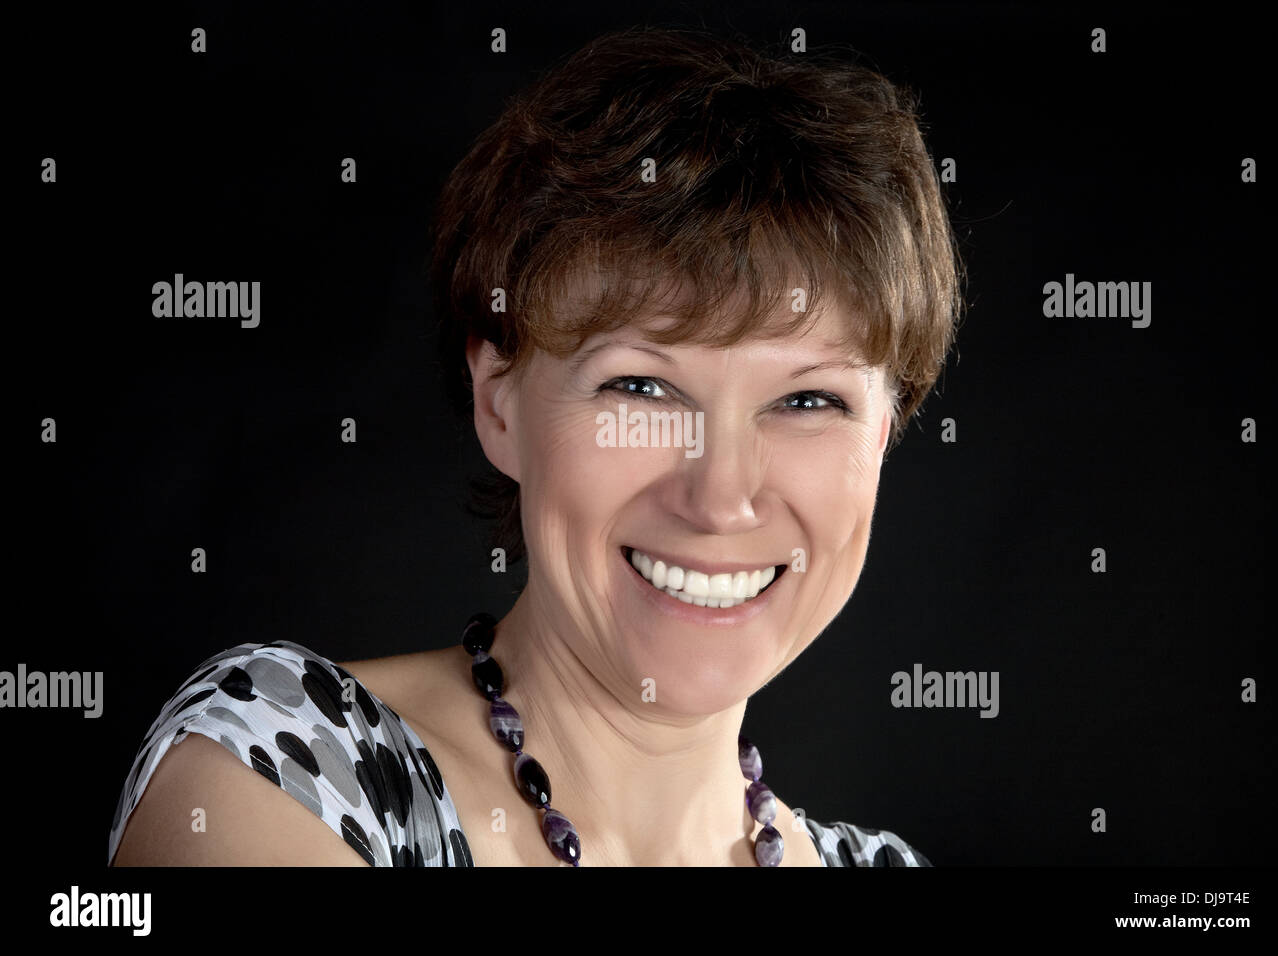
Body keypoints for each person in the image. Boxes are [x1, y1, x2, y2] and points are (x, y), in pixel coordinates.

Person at [109, 24, 962, 867]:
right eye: (641, 387)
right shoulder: (285, 769)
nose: (721, 495)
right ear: (500, 405)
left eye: (807, 399)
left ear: (882, 438)